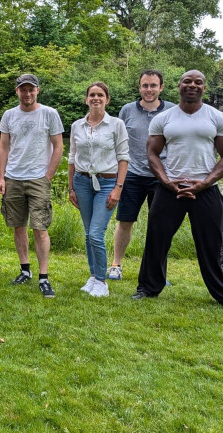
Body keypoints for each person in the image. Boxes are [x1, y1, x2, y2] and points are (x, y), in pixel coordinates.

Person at [132, 70, 223, 317]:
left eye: (198, 82)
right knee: (156, 239)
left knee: (213, 245)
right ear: (178, 86)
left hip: (206, 191)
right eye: (187, 81)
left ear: (204, 88)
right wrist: (166, 181)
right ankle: (147, 288)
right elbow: (152, 153)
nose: (192, 85)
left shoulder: (218, 118)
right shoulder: (164, 119)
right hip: (170, 189)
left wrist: (205, 182)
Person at [0, 74, 64, 298]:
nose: (27, 93)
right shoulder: (9, 115)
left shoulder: (49, 114)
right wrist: (2, 177)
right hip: (13, 177)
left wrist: (48, 177)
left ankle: (44, 277)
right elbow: (3, 146)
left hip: (38, 179)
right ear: (17, 91)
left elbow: (58, 147)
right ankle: (25, 269)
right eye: (23, 89)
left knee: (40, 228)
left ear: (38, 90)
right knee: (18, 226)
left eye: (31, 89)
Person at [108, 70, 176, 280]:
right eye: (145, 85)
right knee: (125, 221)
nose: (149, 89)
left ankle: (157, 271)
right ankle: (116, 265)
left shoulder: (173, 111)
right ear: (139, 88)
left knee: (160, 225)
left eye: (153, 85)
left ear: (161, 88)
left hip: (162, 176)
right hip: (132, 174)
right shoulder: (127, 110)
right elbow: (117, 142)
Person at [68, 82, 129, 298]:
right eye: (92, 95)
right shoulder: (77, 126)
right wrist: (71, 187)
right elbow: (72, 157)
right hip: (82, 182)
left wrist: (118, 188)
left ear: (107, 99)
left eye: (100, 95)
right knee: (87, 233)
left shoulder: (116, 124)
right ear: (86, 99)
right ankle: (93, 276)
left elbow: (123, 157)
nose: (96, 98)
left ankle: (102, 281)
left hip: (107, 183)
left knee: (96, 233)